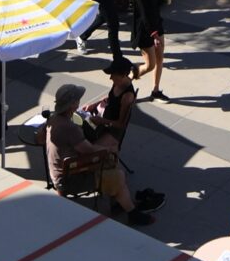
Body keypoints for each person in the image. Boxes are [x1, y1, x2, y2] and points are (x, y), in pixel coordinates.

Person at [45, 82, 161, 225]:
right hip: (70, 179)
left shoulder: (53, 119)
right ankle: (131, 212)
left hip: (58, 173)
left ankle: (120, 199)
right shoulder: (70, 128)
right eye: (77, 100)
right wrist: (110, 150)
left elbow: (40, 137)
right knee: (117, 171)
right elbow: (90, 150)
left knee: (113, 164)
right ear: (72, 105)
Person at [130, 0, 169, 102]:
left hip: (157, 26)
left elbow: (155, 8)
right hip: (145, 31)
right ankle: (129, 78)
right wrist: (154, 35)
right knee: (150, 65)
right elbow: (144, 15)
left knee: (160, 59)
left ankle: (156, 90)